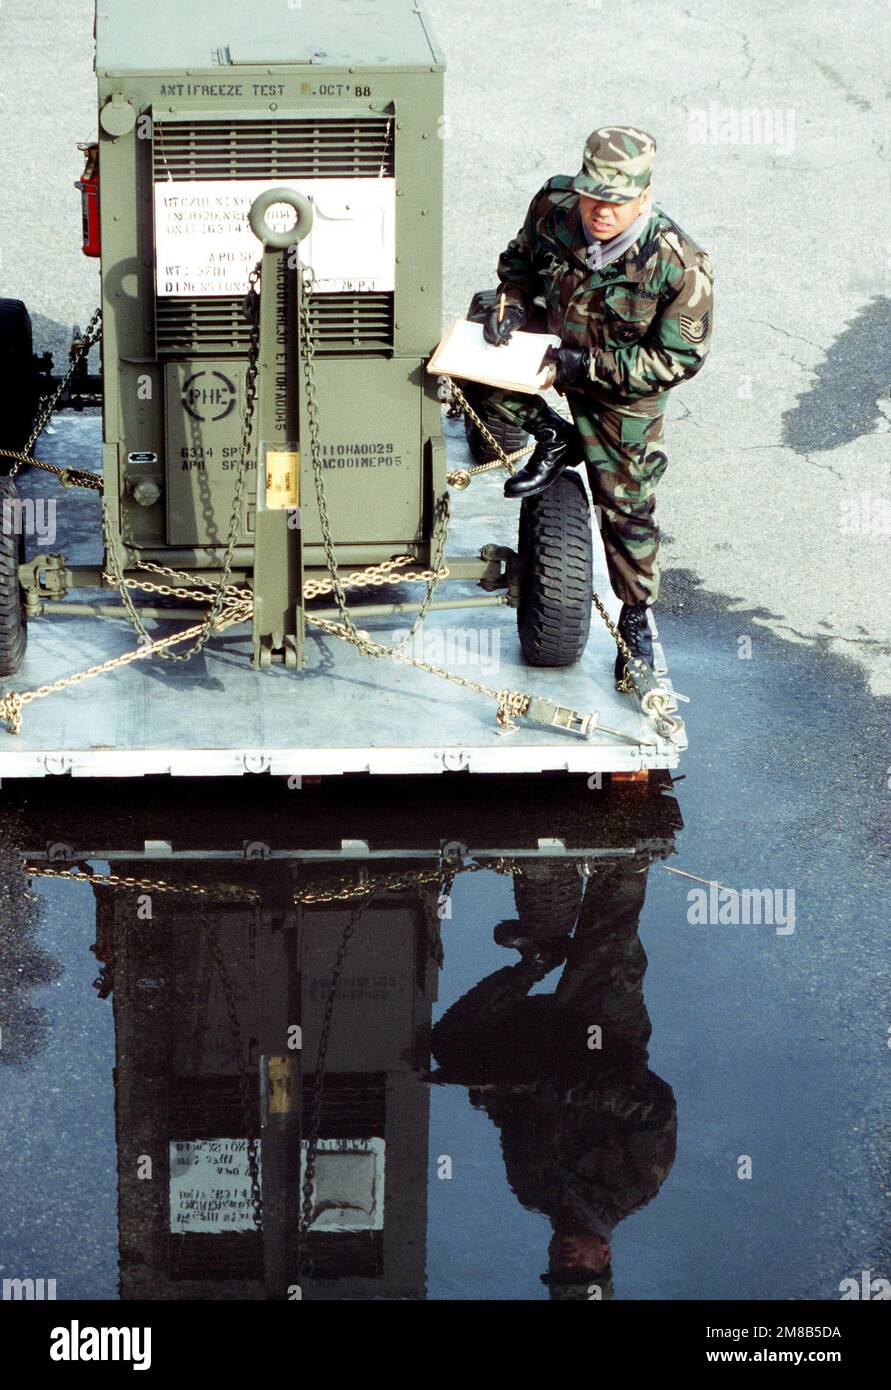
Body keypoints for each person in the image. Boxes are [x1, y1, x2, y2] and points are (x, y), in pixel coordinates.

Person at [477, 126, 713, 684]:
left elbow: (677, 361)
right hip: (554, 342)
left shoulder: (680, 267)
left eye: (615, 201)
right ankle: (556, 436)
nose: (599, 211)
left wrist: (584, 367)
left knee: (626, 504)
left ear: (644, 198)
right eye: (592, 196)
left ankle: (635, 621)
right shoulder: (554, 205)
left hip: (621, 389)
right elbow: (519, 263)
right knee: (468, 368)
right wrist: (511, 305)